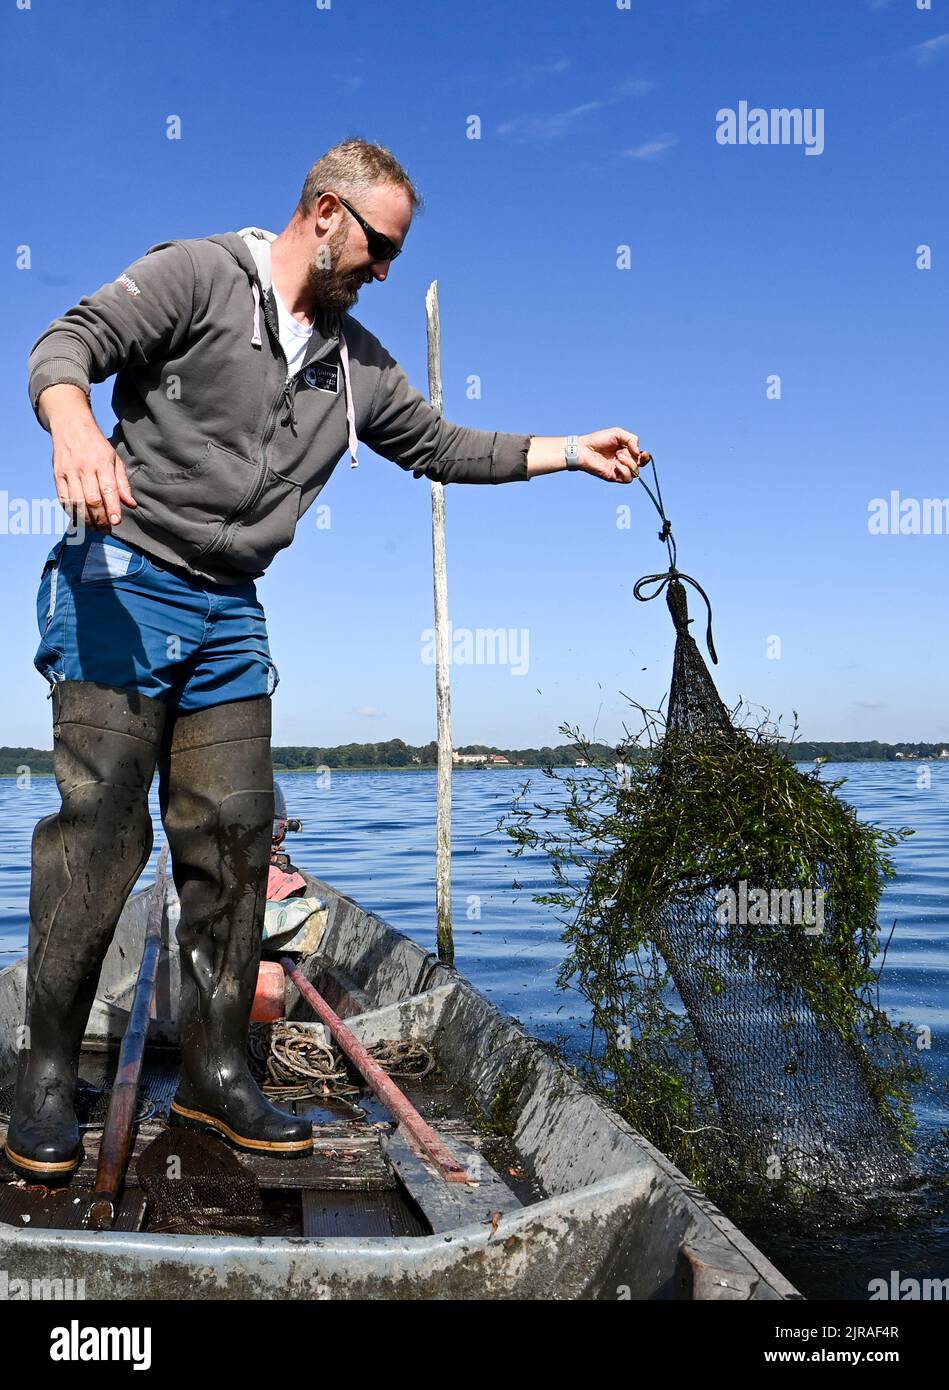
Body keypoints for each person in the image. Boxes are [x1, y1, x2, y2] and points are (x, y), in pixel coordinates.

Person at [5, 139, 649, 1183]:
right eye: (380, 247)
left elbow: (446, 446)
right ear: (323, 213)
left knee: (231, 838)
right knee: (103, 838)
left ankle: (218, 1075)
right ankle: (39, 1076)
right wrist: (72, 423)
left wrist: (570, 450)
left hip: (229, 613)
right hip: (120, 580)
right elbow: (65, 340)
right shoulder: (202, 275)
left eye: (397, 254)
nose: (385, 271)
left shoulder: (357, 366)